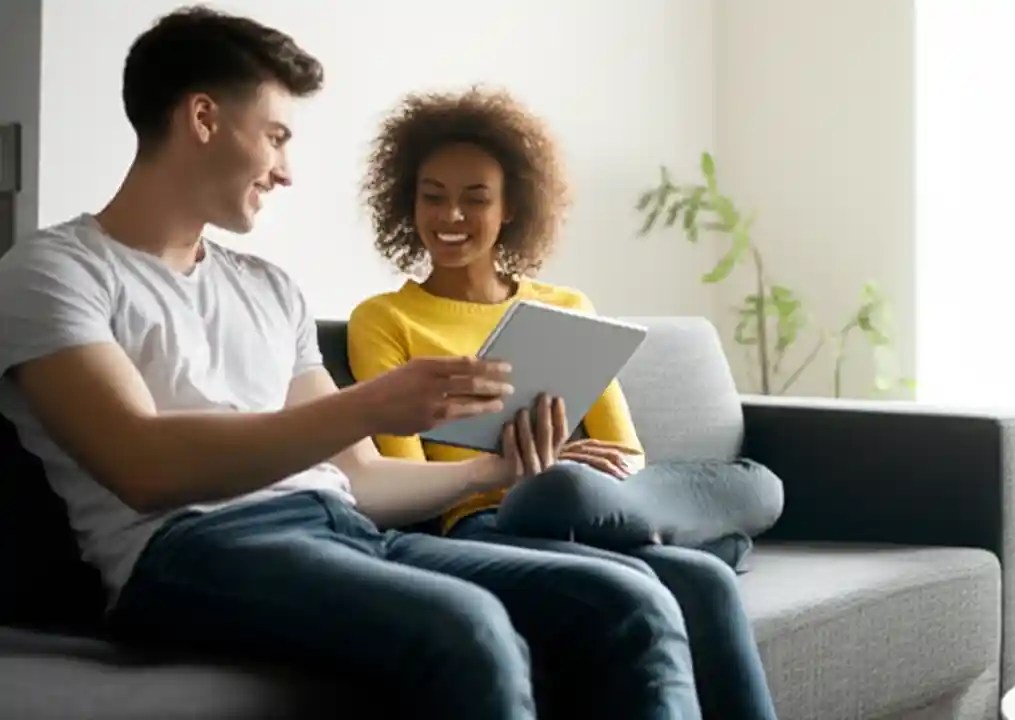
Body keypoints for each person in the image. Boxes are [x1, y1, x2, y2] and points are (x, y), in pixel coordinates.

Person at [0, 8, 707, 719]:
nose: (285, 171)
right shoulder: (55, 271)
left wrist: (500, 470)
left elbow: (359, 478)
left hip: (341, 528)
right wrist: (375, 402)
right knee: (468, 628)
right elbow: (143, 466)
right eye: (276, 137)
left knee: (630, 601)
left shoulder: (268, 288)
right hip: (190, 551)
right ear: (204, 118)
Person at [347, 88, 781, 720]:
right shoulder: (385, 320)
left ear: (511, 206)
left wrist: (567, 462)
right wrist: (518, 467)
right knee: (582, 508)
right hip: (484, 522)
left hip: (597, 504)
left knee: (749, 493)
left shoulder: (564, 306)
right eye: (432, 195)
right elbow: (402, 485)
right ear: (406, 202)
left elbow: (627, 455)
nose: (450, 215)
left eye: (476, 198)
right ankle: (695, 535)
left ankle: (660, 524)